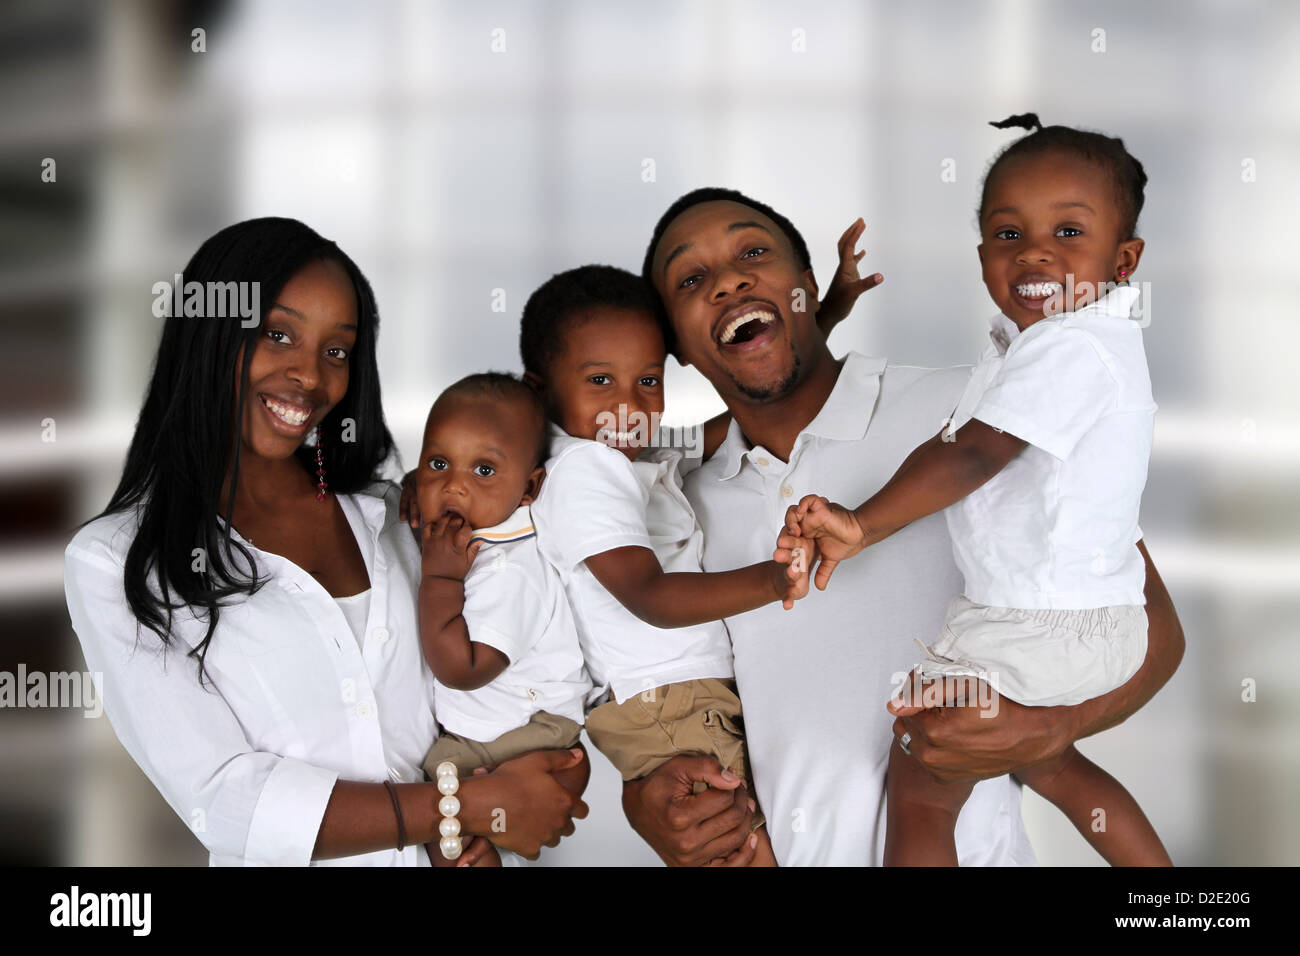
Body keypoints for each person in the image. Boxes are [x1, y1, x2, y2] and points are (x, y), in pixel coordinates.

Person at [622, 186, 1184, 866]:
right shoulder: (670, 505)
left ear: (807, 285)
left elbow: (1150, 627)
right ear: (676, 345)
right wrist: (645, 794)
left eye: (754, 253)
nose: (728, 281)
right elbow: (660, 695)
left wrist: (1054, 729)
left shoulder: (971, 413)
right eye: (690, 279)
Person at [63, 217, 587, 866]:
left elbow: (525, 653)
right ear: (210, 331)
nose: (310, 376)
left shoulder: (397, 517)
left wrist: (521, 793)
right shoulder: (117, 562)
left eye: (336, 351)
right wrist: (462, 808)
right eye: (278, 335)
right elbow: (225, 802)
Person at [780, 114, 1172, 865]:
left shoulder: (1073, 345)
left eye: (1068, 232)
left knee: (922, 775)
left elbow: (971, 458)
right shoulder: (1043, 349)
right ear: (983, 252)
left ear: (1124, 260)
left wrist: (861, 524)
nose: (1034, 253)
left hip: (1040, 626)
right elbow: (958, 448)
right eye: (1007, 233)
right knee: (1050, 765)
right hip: (1075, 624)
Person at [415, 373, 592, 863]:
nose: (454, 485)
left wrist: (439, 579)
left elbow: (464, 669)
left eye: (484, 470)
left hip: (524, 732)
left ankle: (476, 852)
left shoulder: (512, 569)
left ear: (529, 487)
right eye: (437, 464)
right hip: (501, 725)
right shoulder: (474, 535)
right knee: (441, 811)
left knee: (435, 799)